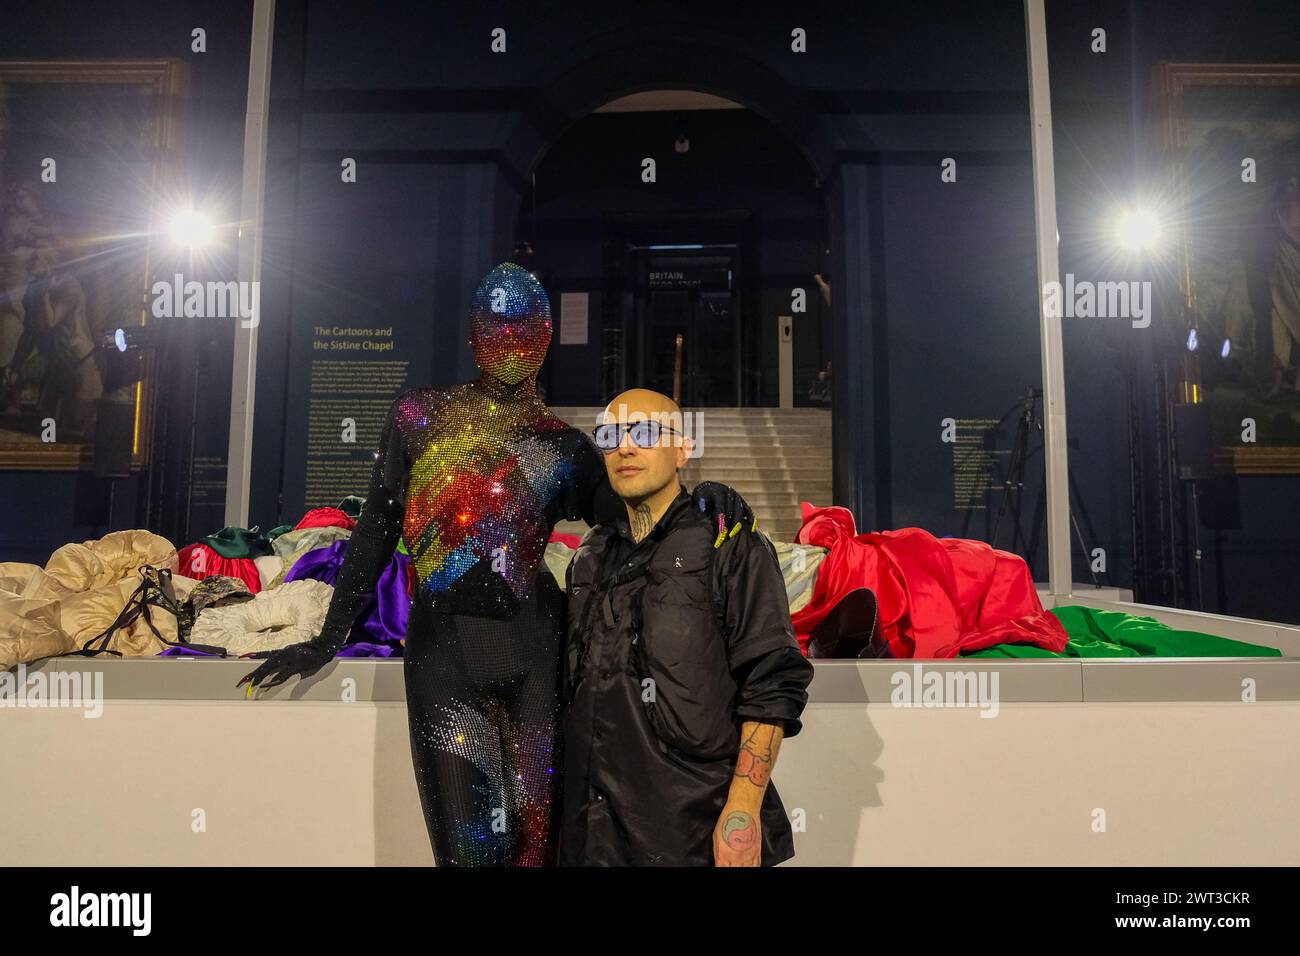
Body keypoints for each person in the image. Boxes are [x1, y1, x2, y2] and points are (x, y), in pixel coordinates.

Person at [238, 263, 752, 867]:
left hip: (534, 654)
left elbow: (633, 510)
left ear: (547, 337)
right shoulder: (418, 419)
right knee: (470, 855)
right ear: (473, 335)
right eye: (496, 325)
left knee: (538, 853)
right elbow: (376, 531)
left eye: (523, 327)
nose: (509, 340)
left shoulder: (562, 448)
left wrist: (698, 497)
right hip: (445, 663)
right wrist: (327, 637)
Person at [559, 388, 813, 866]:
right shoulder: (589, 557)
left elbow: (772, 680)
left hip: (689, 829)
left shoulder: (729, 545)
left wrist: (743, 811)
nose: (626, 447)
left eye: (646, 432)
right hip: (592, 834)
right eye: (611, 435)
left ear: (683, 448)